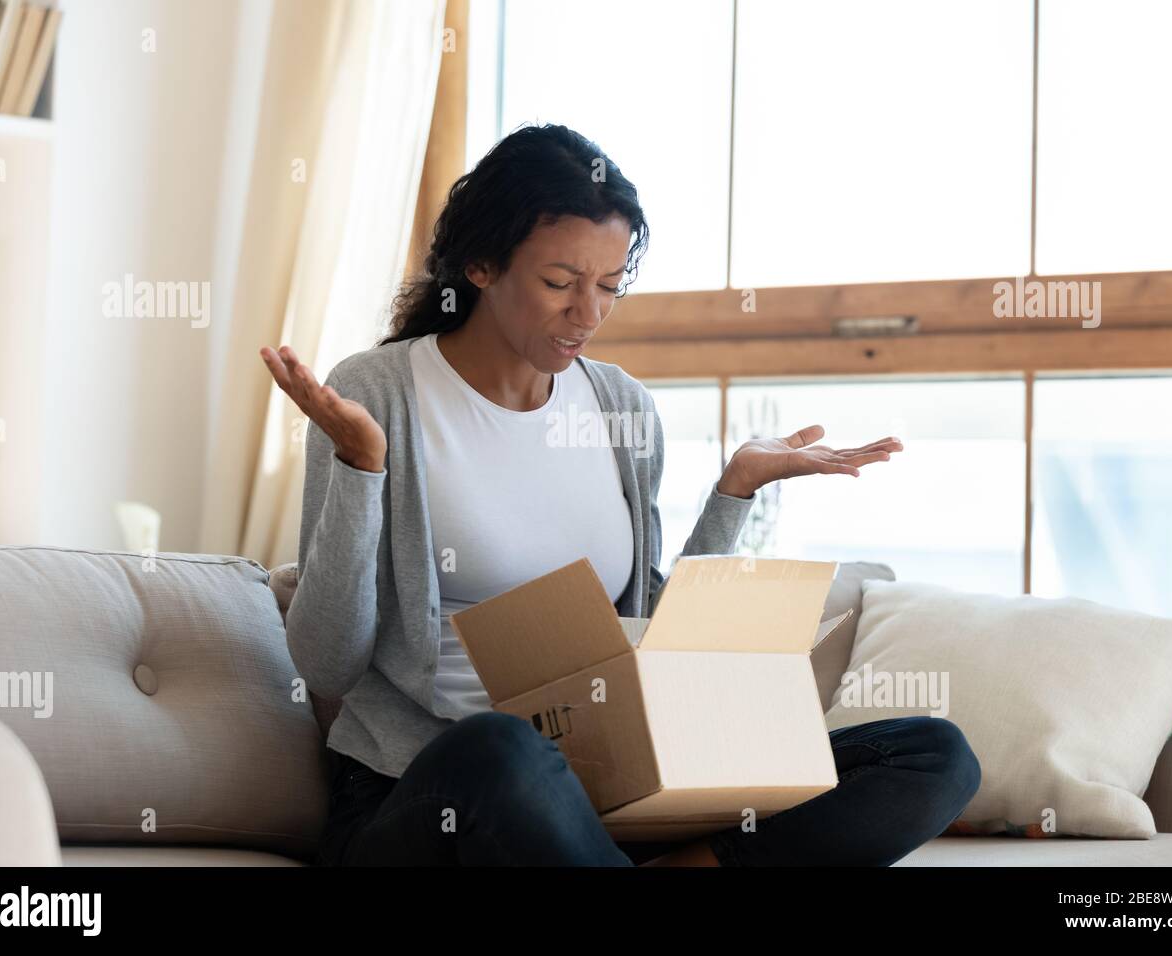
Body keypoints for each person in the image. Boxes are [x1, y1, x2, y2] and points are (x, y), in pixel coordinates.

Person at [259, 123, 979, 866]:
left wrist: (734, 492)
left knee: (932, 755)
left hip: (604, 788)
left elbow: (657, 645)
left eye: (609, 286)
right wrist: (362, 467)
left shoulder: (621, 407)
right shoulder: (377, 393)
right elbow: (326, 663)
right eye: (560, 283)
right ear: (479, 264)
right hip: (430, 792)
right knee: (505, 749)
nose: (589, 314)